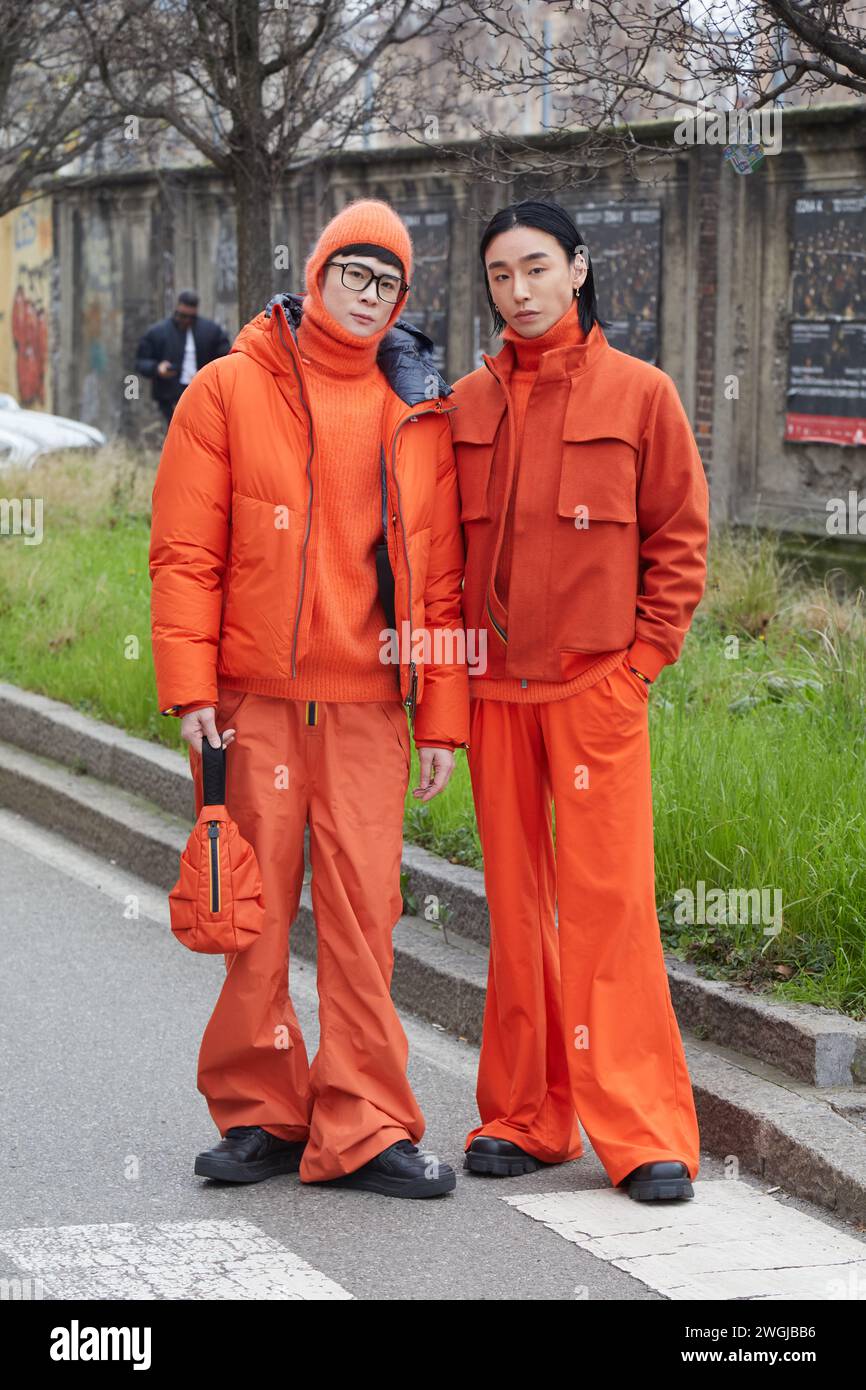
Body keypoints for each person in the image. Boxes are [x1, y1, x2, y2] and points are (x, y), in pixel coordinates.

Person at [149, 199, 469, 1198]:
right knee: (250, 914)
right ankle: (261, 1114)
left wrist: (443, 718)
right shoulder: (228, 391)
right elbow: (184, 553)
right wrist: (190, 685)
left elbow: (443, 578)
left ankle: (366, 1123)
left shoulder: (417, 408)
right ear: (317, 272)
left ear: (401, 299)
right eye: (353, 274)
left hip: (370, 706)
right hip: (260, 705)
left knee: (364, 918)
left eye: (387, 284)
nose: (368, 297)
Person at [449, 199, 710, 1203]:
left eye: (535, 268)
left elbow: (678, 539)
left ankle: (640, 1131)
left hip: (596, 690)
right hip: (492, 695)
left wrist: (640, 664)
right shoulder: (464, 406)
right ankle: (527, 1115)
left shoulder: (640, 394)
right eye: (500, 275)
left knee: (607, 908)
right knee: (514, 914)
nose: (517, 291)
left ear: (577, 268)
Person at [136, 290, 231, 427]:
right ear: (176, 309)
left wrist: (209, 374)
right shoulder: (157, 332)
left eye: (190, 317)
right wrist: (157, 368)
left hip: (202, 393)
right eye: (182, 316)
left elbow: (226, 357)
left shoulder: (211, 332)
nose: (185, 320)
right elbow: (141, 362)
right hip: (169, 394)